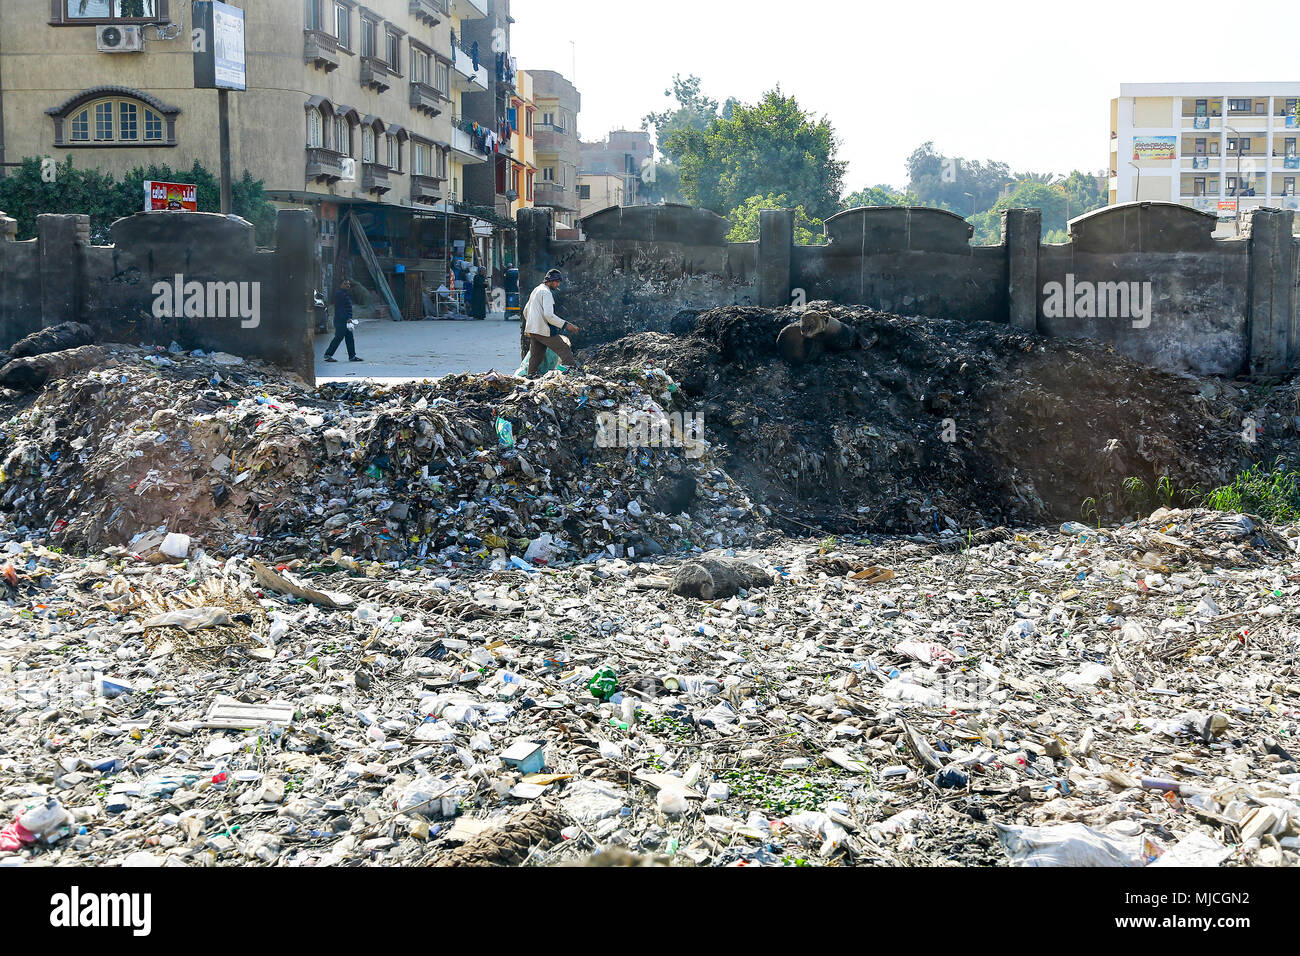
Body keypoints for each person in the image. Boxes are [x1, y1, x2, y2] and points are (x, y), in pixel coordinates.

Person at [524, 269, 580, 376]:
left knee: (536, 356)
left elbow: (525, 311)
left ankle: (530, 376)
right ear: (551, 281)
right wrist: (567, 325)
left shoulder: (536, 290)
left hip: (533, 330)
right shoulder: (546, 293)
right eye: (557, 282)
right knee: (564, 349)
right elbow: (549, 316)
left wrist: (533, 324)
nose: (558, 284)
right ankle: (573, 375)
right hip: (543, 330)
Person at [324, 279, 364, 363]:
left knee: (349, 338)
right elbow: (340, 309)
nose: (348, 285)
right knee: (338, 338)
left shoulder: (345, 294)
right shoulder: (340, 294)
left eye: (348, 284)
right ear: (340, 285)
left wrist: (349, 319)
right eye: (345, 284)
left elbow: (346, 308)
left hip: (346, 321)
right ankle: (328, 355)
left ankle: (352, 356)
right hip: (341, 321)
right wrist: (347, 319)